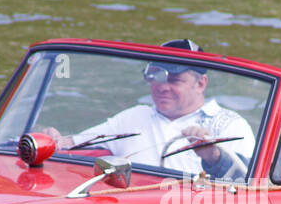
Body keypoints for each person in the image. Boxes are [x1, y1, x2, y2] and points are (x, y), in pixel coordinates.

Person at [44, 39, 254, 179]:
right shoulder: (134, 116)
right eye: (156, 76)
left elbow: (251, 184)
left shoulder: (230, 124)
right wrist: (54, 140)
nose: (162, 86)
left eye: (174, 79)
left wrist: (213, 155)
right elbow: (71, 143)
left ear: (200, 84)